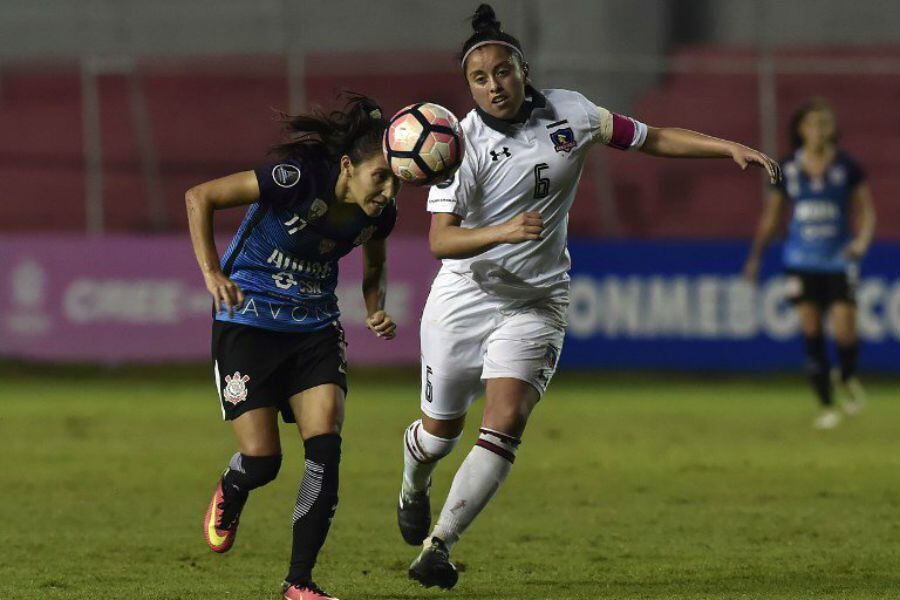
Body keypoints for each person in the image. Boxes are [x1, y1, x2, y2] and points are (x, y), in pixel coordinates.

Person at [397, 3, 781, 590]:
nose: (493, 86)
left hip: (537, 303)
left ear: (523, 69)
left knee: (505, 424)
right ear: (467, 88)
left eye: (502, 72)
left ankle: (439, 544)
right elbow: (441, 242)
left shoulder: (573, 113)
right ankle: (413, 486)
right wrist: (504, 230)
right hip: (464, 297)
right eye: (479, 79)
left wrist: (724, 146)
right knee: (436, 437)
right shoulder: (457, 145)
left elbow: (652, 138)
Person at [185, 93, 400, 600]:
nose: (389, 191)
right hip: (248, 320)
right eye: (380, 178)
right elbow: (200, 197)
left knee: (325, 448)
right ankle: (235, 485)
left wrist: (374, 306)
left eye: (396, 180)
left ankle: (298, 583)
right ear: (347, 166)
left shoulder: (377, 216)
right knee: (264, 462)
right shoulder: (296, 178)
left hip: (314, 328)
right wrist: (213, 273)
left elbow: (374, 268)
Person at [744, 97, 875, 430]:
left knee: (846, 330)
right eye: (812, 124)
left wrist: (860, 243)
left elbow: (867, 212)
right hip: (800, 261)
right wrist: (756, 257)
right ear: (801, 130)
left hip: (838, 260)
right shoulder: (787, 168)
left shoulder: (848, 167)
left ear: (832, 129)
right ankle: (827, 405)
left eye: (825, 123)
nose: (819, 130)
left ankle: (845, 375)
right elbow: (772, 217)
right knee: (811, 329)